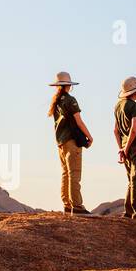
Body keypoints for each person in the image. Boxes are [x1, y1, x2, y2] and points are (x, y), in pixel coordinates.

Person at [47, 71, 93, 214]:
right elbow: (79, 121)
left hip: (61, 142)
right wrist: (89, 136)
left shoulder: (56, 101)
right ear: (69, 85)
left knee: (66, 173)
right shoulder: (70, 100)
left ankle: (67, 204)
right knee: (74, 173)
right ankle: (77, 206)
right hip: (72, 142)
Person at [114, 76, 136, 220]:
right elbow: (134, 130)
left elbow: (116, 131)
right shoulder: (135, 106)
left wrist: (122, 149)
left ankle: (128, 212)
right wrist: (127, 148)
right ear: (134, 91)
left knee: (131, 181)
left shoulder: (118, 106)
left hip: (125, 146)